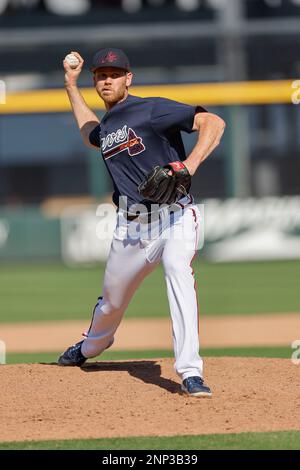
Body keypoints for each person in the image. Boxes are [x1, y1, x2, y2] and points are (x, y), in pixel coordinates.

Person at [58, 47, 225, 397]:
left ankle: (190, 372)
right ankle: (89, 347)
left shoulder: (150, 108)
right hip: (131, 228)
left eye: (114, 74)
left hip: (176, 216)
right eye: (101, 75)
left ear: (128, 79)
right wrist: (71, 85)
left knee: (178, 271)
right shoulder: (106, 127)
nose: (107, 80)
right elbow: (91, 132)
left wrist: (188, 166)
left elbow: (213, 122)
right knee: (111, 303)